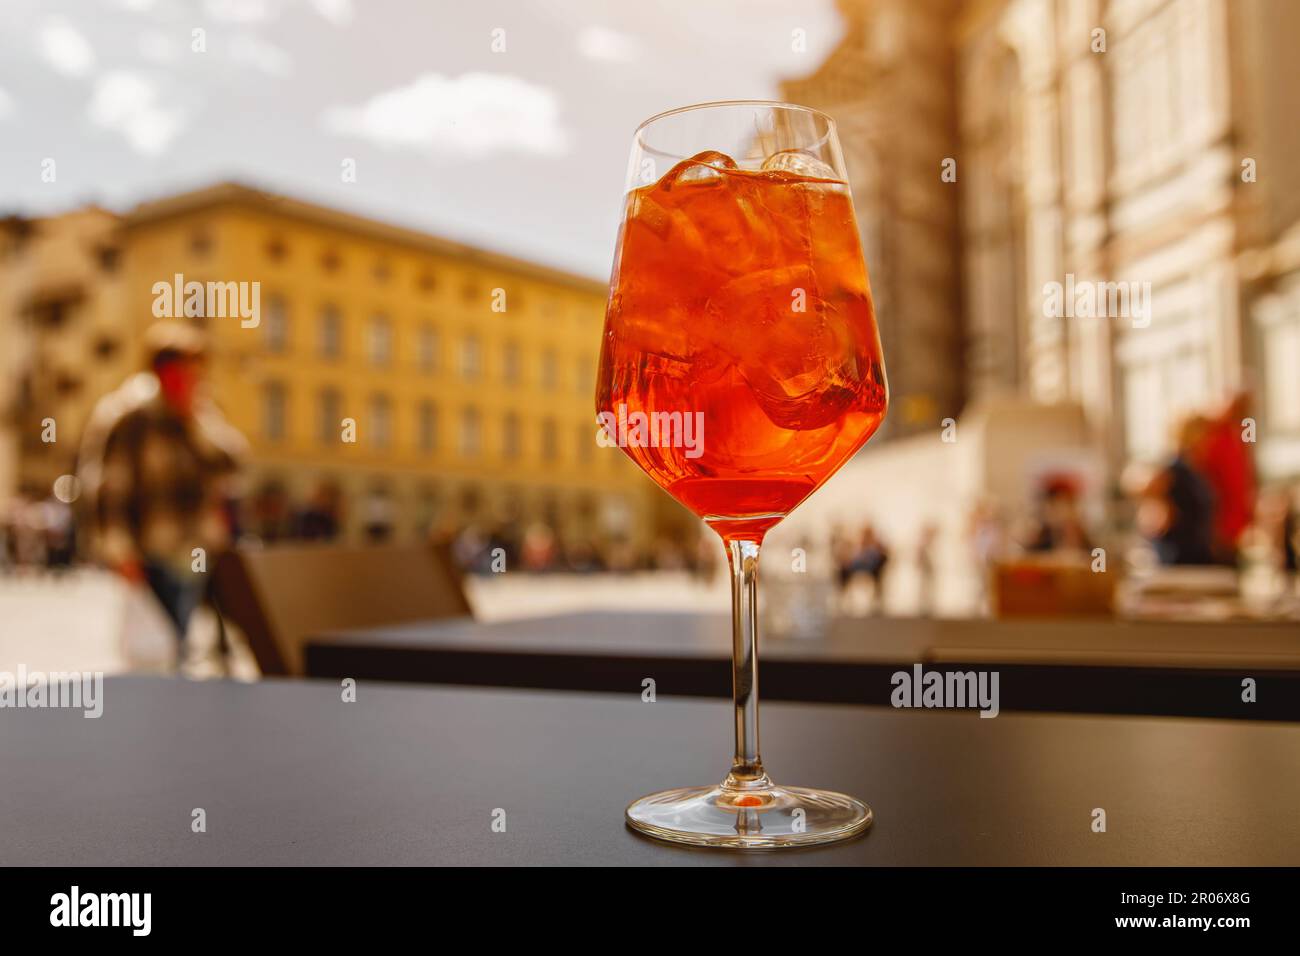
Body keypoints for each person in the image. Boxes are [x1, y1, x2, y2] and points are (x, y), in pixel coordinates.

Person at [77, 322, 247, 655]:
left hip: (196, 550)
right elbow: (109, 488)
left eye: (194, 372)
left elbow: (233, 463)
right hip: (152, 550)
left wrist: (198, 420)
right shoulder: (130, 416)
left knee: (183, 642)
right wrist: (120, 551)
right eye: (180, 372)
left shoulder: (197, 415)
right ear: (160, 371)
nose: (189, 380)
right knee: (160, 646)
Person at [1138, 415, 1216, 566]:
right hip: (1178, 557)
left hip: (1197, 555)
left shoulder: (1194, 469)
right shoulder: (1173, 469)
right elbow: (1145, 491)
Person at [1193, 390, 1257, 565]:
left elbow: (1243, 480)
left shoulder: (1238, 435)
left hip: (1233, 526)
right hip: (1217, 527)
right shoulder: (1209, 438)